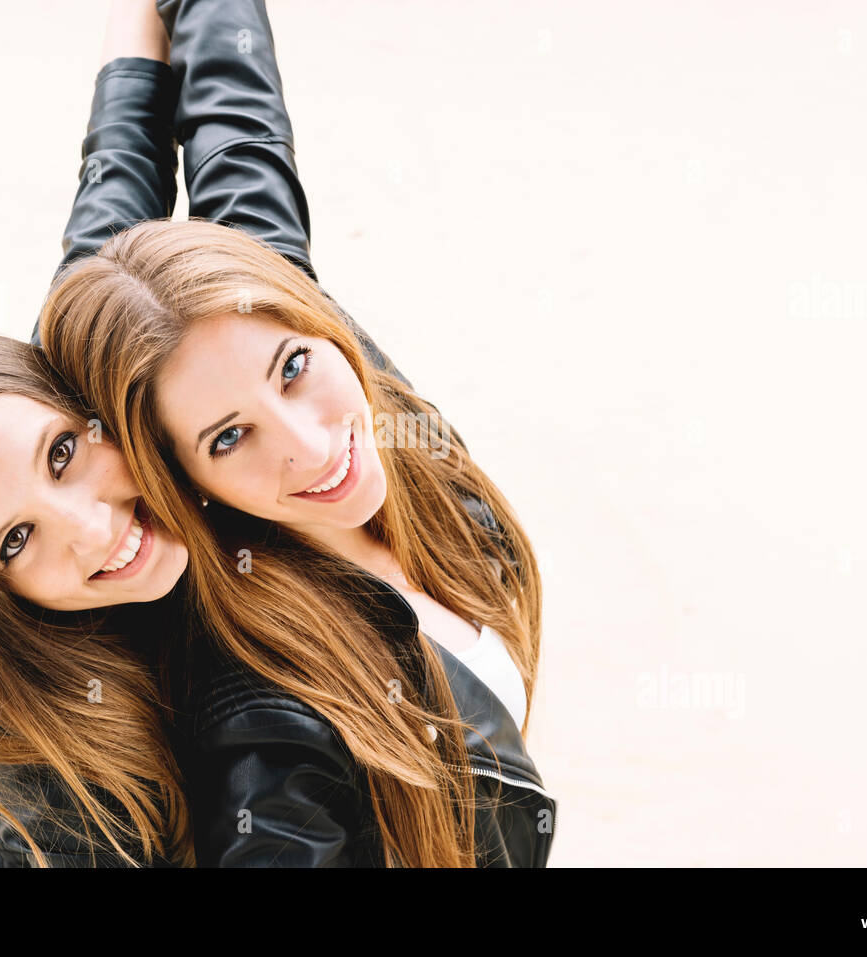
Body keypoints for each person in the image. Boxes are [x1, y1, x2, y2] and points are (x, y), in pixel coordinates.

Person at [36, 0, 555, 865]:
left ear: (314, 318)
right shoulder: (266, 727)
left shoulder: (279, 320)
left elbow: (235, 133)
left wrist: (142, 15)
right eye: (227, 439)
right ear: (182, 478)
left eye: (291, 370)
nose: (311, 447)